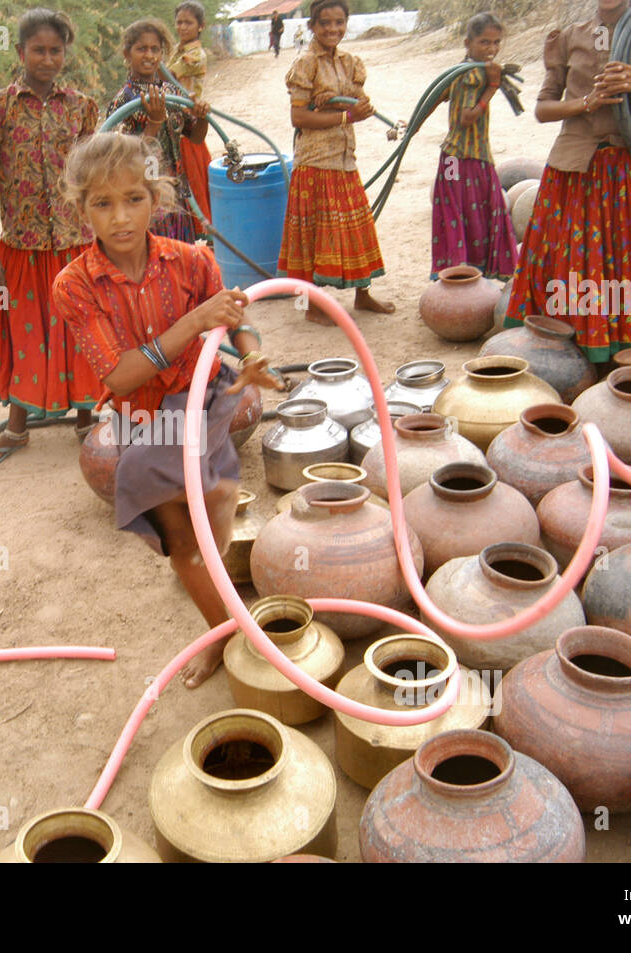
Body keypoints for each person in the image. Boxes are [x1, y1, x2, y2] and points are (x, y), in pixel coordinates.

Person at [52, 132, 283, 687]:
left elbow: (234, 315)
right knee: (183, 542)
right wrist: (192, 324)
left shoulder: (192, 261)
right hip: (145, 419)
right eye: (102, 204)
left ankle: (214, 533)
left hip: (203, 400)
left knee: (208, 512)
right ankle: (220, 635)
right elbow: (120, 374)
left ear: (155, 199)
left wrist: (251, 356)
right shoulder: (74, 285)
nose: (121, 217)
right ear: (80, 209)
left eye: (134, 198)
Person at [502, 0, 631, 362]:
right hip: (571, 169)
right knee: (563, 262)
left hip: (624, 171)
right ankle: (558, 350)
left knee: (618, 265)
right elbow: (543, 108)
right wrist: (586, 103)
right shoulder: (569, 38)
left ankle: (614, 351)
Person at [0, 8, 103, 468]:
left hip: (74, 244)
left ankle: (86, 420)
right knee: (21, 334)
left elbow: (93, 179)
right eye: (38, 50)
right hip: (21, 248)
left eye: (56, 50)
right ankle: (16, 427)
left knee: (81, 330)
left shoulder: (81, 107)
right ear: (20, 51)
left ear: (65, 53)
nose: (47, 59)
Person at [277, 0, 394, 317]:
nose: (333, 29)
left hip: (344, 159)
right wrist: (344, 115)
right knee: (313, 235)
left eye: (339, 22)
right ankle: (310, 306)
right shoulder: (305, 63)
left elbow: (361, 104)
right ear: (312, 26)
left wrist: (357, 107)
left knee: (356, 227)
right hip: (316, 162)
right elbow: (298, 117)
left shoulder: (349, 62)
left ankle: (363, 295)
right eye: (325, 23)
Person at [429, 12, 519, 280]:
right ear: (468, 43)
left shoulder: (463, 70)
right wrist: (491, 87)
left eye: (496, 42)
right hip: (462, 159)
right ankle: (462, 273)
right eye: (484, 43)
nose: (491, 49)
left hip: (463, 157)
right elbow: (467, 117)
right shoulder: (470, 76)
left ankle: (463, 272)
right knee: (462, 210)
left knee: (464, 211)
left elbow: (438, 96)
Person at [107, 19, 211, 247]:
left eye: (155, 49)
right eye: (141, 49)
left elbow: (195, 136)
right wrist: (154, 123)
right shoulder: (123, 101)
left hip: (176, 193)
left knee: (179, 260)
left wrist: (201, 116)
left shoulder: (171, 92)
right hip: (142, 194)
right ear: (127, 53)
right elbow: (120, 158)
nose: (150, 55)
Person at [168, 1, 213, 231]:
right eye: (179, 22)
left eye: (188, 22)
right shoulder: (177, 49)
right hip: (171, 124)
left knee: (192, 189)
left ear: (200, 26)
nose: (183, 27)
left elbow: (167, 76)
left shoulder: (195, 55)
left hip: (188, 127)